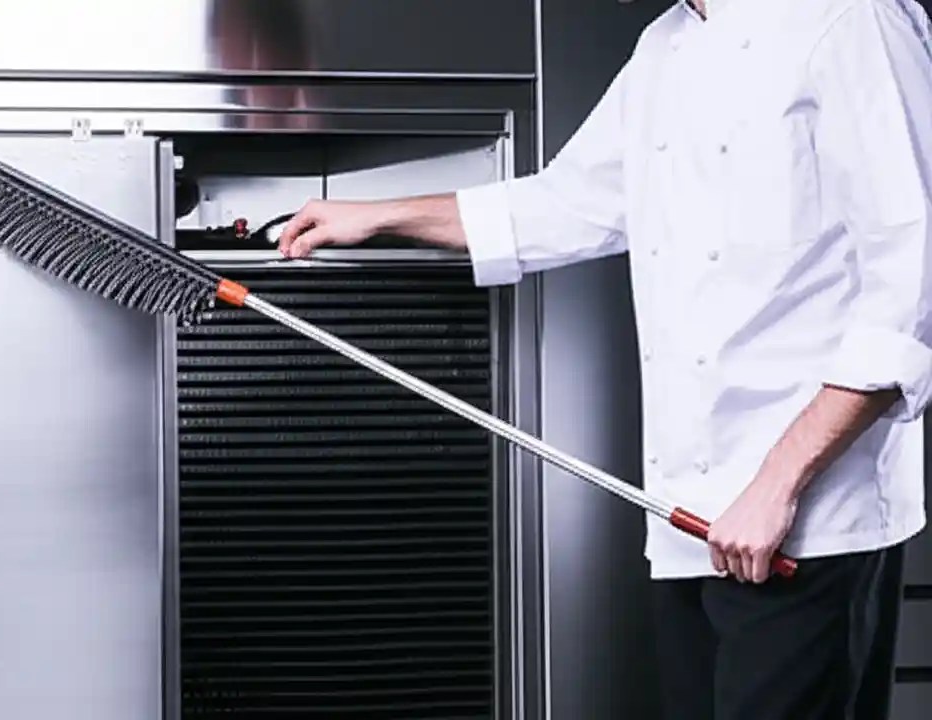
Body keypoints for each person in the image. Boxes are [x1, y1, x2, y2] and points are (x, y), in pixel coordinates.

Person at [276, 0, 932, 718]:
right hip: (688, 518)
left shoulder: (852, 18)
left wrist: (776, 485)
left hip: (808, 523)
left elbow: (913, 284)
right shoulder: (665, 45)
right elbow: (570, 202)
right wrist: (378, 214)